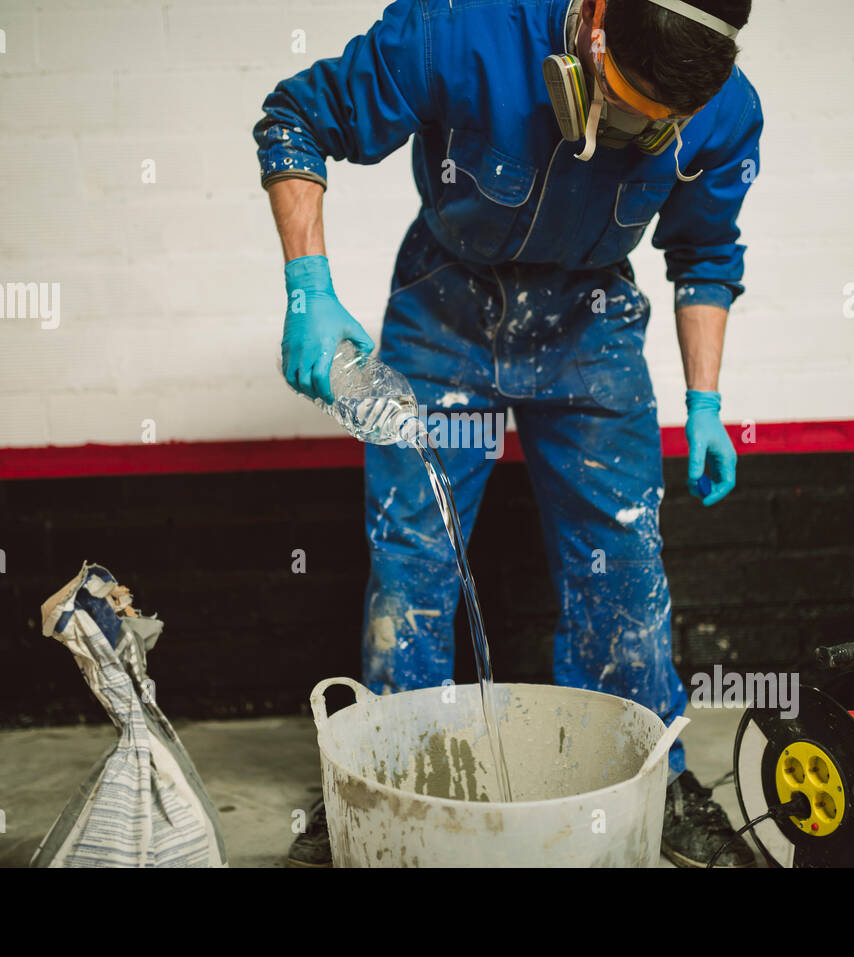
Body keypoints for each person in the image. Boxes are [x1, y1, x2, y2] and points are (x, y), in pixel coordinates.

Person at [255, 0, 762, 867]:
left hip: (592, 320)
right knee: (413, 561)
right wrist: (307, 288)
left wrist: (706, 403)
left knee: (625, 562)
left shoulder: (726, 109)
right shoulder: (463, 30)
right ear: (595, 24)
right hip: (446, 306)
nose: (634, 132)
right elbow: (295, 118)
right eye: (622, 104)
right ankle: (380, 787)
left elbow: (705, 252)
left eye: (657, 127)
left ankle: (654, 783)